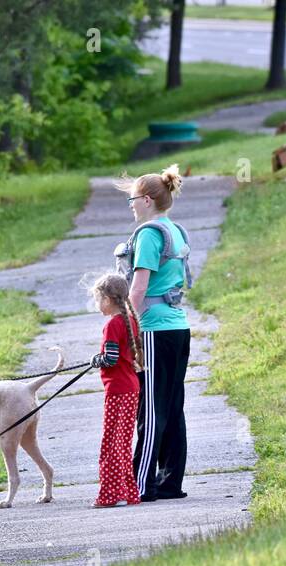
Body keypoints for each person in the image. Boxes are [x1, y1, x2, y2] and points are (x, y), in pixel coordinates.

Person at [117, 165, 190, 501]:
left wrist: (123, 328)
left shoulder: (148, 234)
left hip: (153, 330)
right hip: (179, 327)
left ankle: (141, 485)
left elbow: (139, 287)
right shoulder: (176, 231)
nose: (130, 205)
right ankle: (170, 482)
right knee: (172, 406)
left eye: (132, 199)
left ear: (146, 200)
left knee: (151, 409)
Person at [87, 273, 144, 509]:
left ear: (109, 299)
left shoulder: (112, 324)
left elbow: (110, 359)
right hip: (130, 388)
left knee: (111, 445)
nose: (97, 305)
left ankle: (110, 496)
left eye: (98, 299)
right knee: (122, 443)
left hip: (118, 391)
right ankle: (128, 493)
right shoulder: (129, 320)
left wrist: (95, 360)